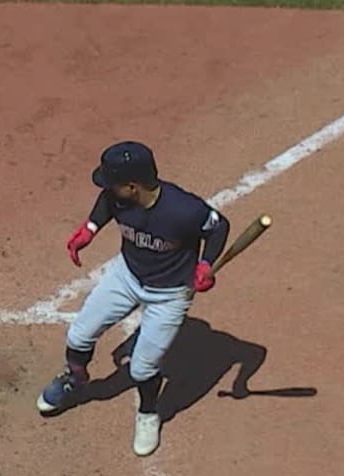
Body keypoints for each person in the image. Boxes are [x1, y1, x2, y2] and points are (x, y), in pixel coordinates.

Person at [37, 141, 231, 457]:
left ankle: (148, 413)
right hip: (125, 277)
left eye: (113, 183)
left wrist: (205, 263)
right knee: (79, 335)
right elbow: (106, 202)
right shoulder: (120, 197)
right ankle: (75, 379)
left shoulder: (184, 210)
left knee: (142, 368)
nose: (108, 188)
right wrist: (90, 228)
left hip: (169, 295)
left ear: (132, 186)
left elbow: (219, 227)